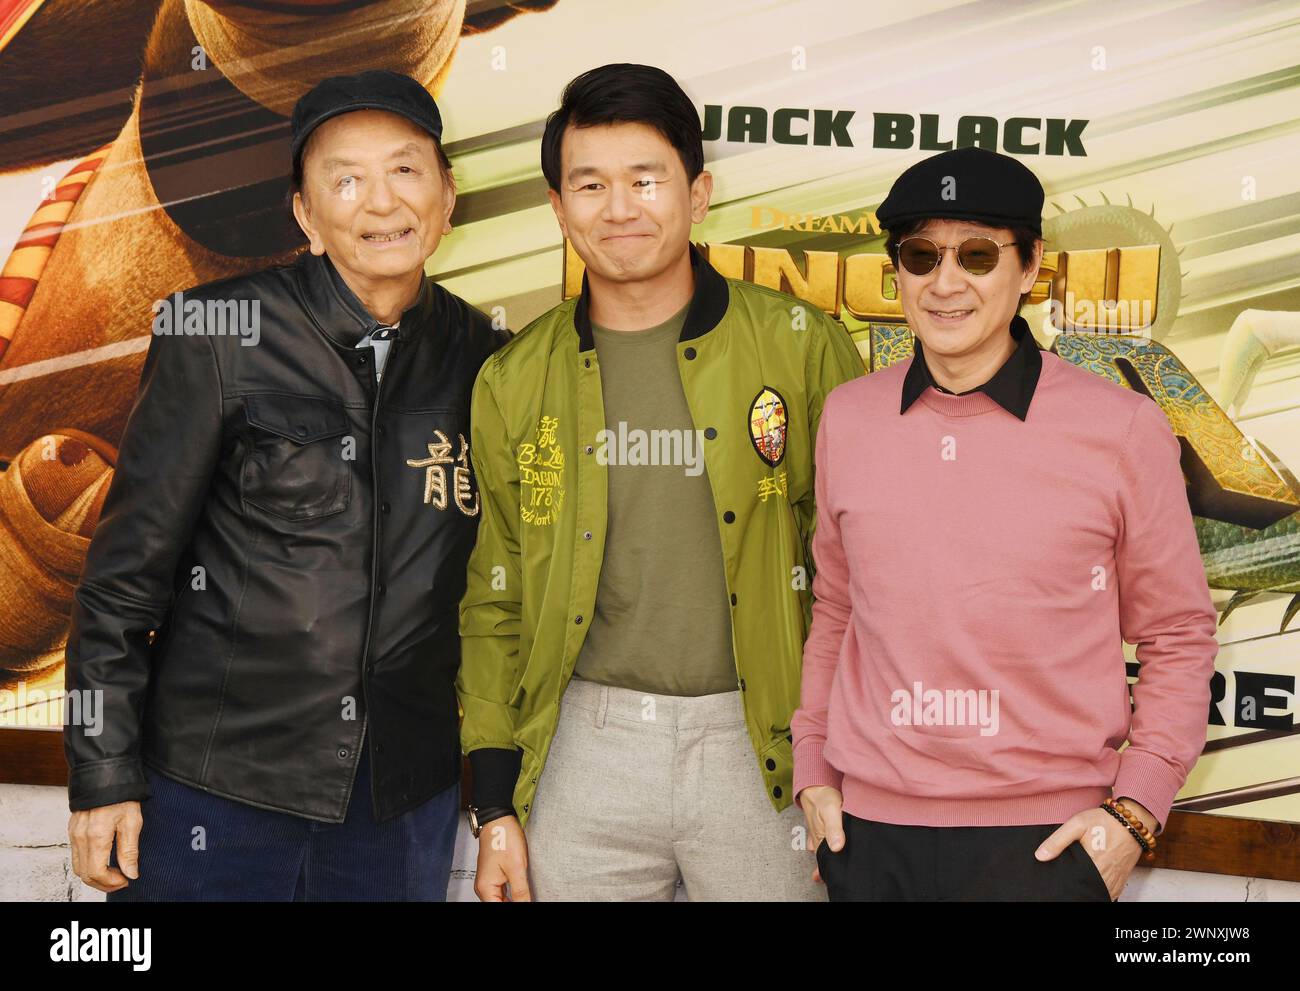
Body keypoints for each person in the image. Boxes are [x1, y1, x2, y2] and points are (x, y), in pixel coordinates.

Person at [64, 69, 508, 901]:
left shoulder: (485, 358)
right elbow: (122, 581)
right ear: (305, 216)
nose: (382, 202)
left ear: (447, 195)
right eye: (346, 179)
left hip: (398, 802)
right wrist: (102, 772)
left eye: (407, 170)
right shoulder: (215, 336)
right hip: (220, 788)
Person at [457, 63, 863, 901]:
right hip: (586, 742)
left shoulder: (799, 343)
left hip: (766, 743)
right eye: (590, 184)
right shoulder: (513, 378)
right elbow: (493, 601)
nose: (619, 208)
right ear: (557, 206)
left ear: (699, 191)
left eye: (646, 179)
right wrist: (494, 801)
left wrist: (846, 752)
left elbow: (857, 571)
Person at [793, 145, 1219, 901]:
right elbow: (837, 608)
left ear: (1030, 269)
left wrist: (1136, 813)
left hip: (1047, 850)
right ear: (897, 271)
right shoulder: (849, 417)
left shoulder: (1121, 429)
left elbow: (1179, 634)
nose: (945, 282)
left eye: (978, 254)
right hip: (867, 838)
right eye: (920, 255)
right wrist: (815, 773)